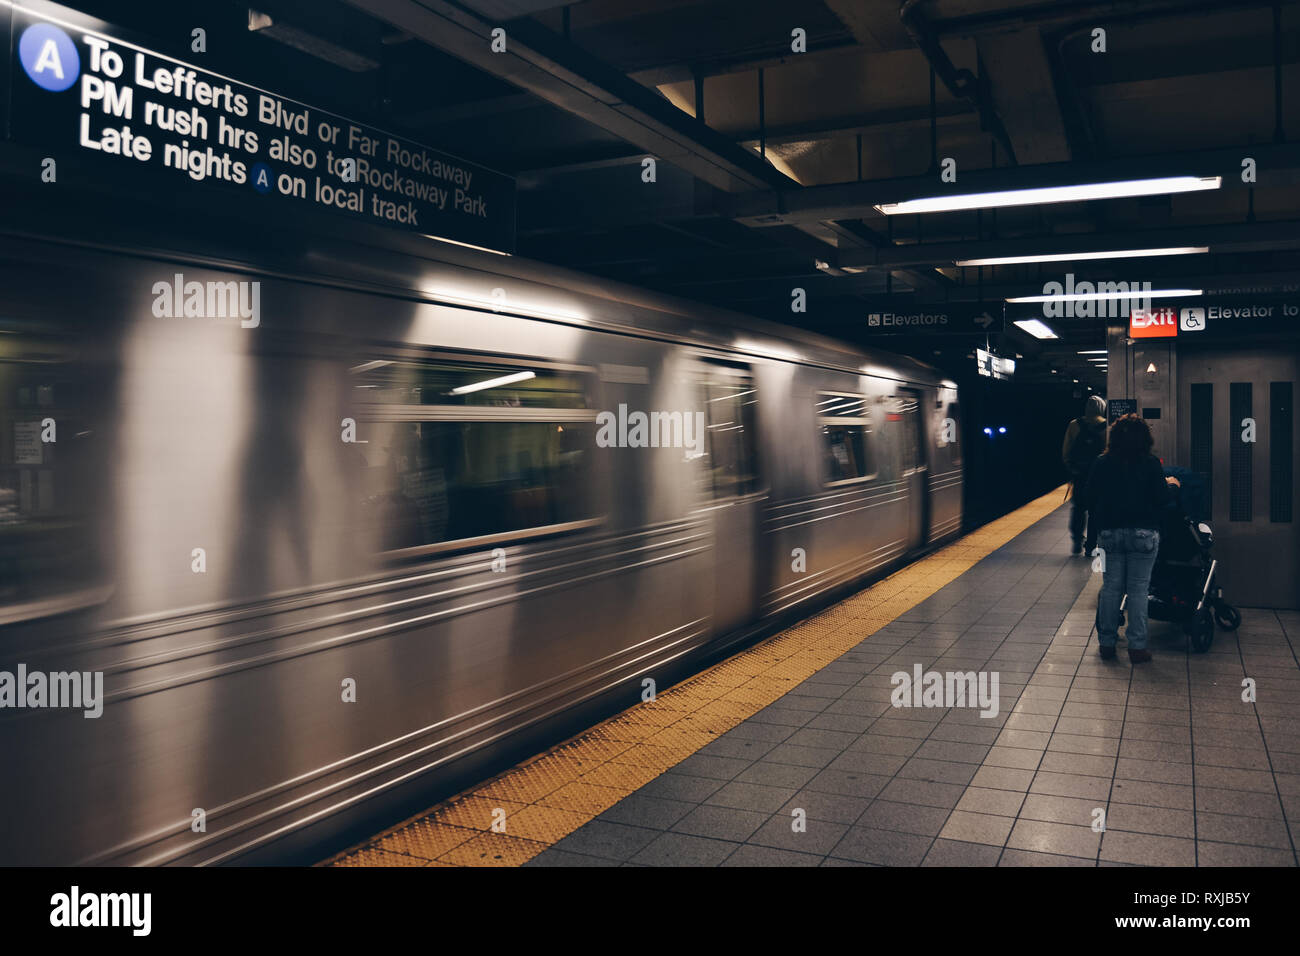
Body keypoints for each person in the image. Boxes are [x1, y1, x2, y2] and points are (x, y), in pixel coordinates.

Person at [1083, 414, 1180, 663]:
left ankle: (1107, 643)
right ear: (1145, 438)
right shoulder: (1150, 463)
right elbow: (1162, 499)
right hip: (1143, 534)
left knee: (1111, 588)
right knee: (1138, 590)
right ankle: (1137, 648)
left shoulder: (1102, 462)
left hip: (1110, 534)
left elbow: (1088, 499)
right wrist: (1172, 486)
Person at [1061, 395, 1108, 554]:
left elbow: (1066, 450)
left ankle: (1076, 540)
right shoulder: (1106, 426)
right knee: (1095, 511)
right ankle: (1091, 545)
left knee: (1078, 508)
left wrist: (1071, 467)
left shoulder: (1075, 425)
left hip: (1080, 475)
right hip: (1099, 476)